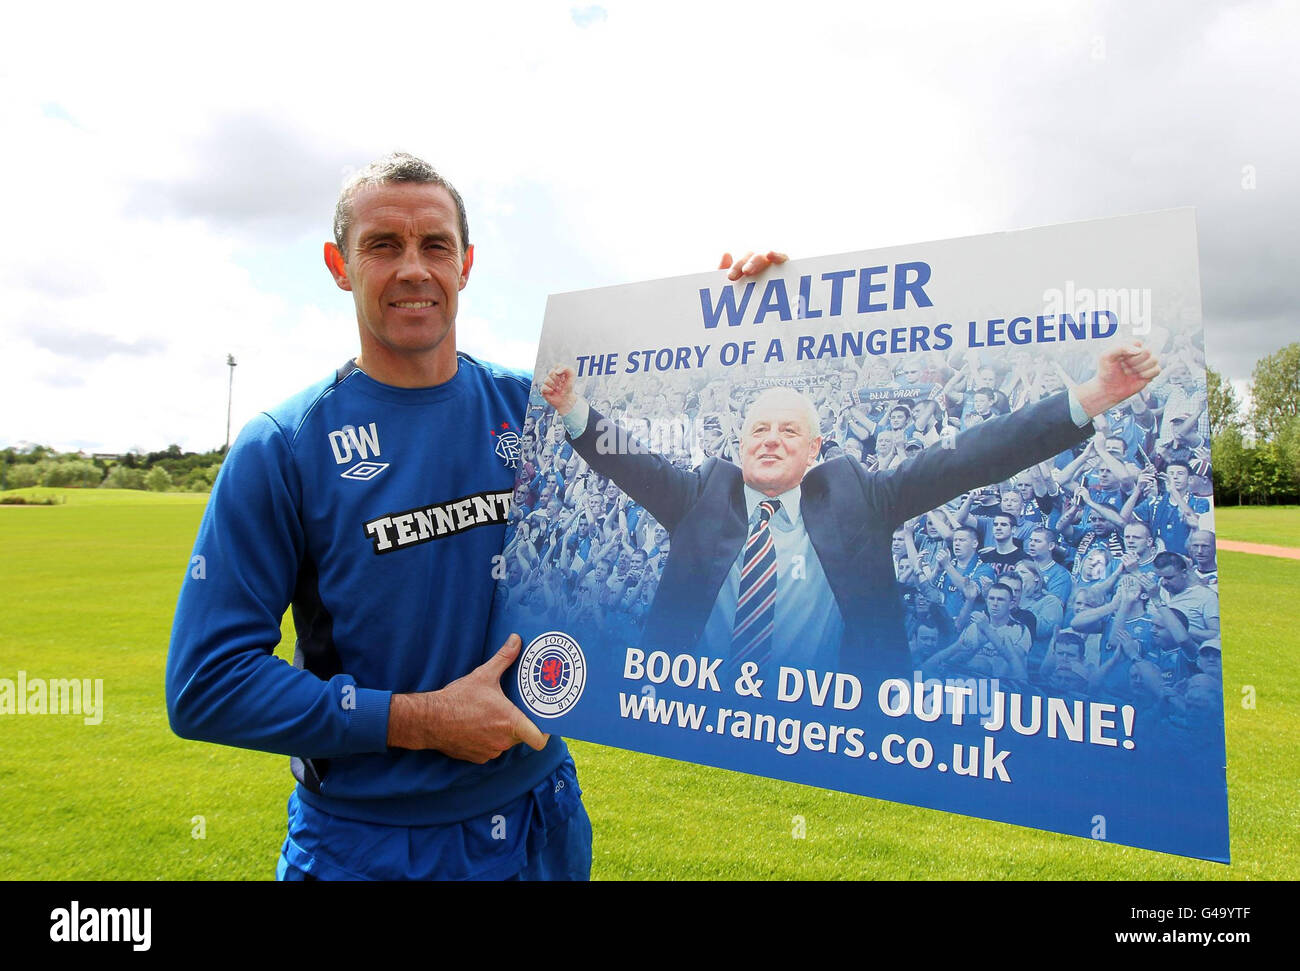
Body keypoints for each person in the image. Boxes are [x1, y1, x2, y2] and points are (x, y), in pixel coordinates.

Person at [165, 151, 783, 881]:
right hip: (370, 844)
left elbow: (678, 464)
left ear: (466, 264)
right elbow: (207, 683)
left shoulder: (534, 411)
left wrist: (744, 328)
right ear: (339, 264)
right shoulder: (284, 447)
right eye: (383, 245)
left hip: (539, 819)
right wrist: (419, 719)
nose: (413, 269)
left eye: (435, 245)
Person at [538, 343, 1161, 675]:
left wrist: (1094, 394)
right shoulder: (702, 495)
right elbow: (631, 460)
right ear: (738, 443)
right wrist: (571, 410)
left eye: (788, 431)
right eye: (758, 430)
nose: (771, 440)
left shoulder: (859, 498)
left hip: (820, 727)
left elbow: (972, 456)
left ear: (815, 449)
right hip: (695, 712)